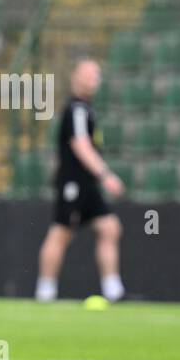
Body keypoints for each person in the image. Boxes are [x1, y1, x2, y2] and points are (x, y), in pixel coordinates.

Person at [35, 58, 125, 302]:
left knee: (110, 228)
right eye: (92, 74)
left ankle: (113, 289)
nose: (96, 80)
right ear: (78, 77)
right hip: (73, 183)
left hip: (88, 184)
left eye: (98, 75)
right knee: (61, 232)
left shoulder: (87, 109)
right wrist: (105, 175)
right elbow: (81, 145)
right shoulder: (76, 109)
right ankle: (45, 289)